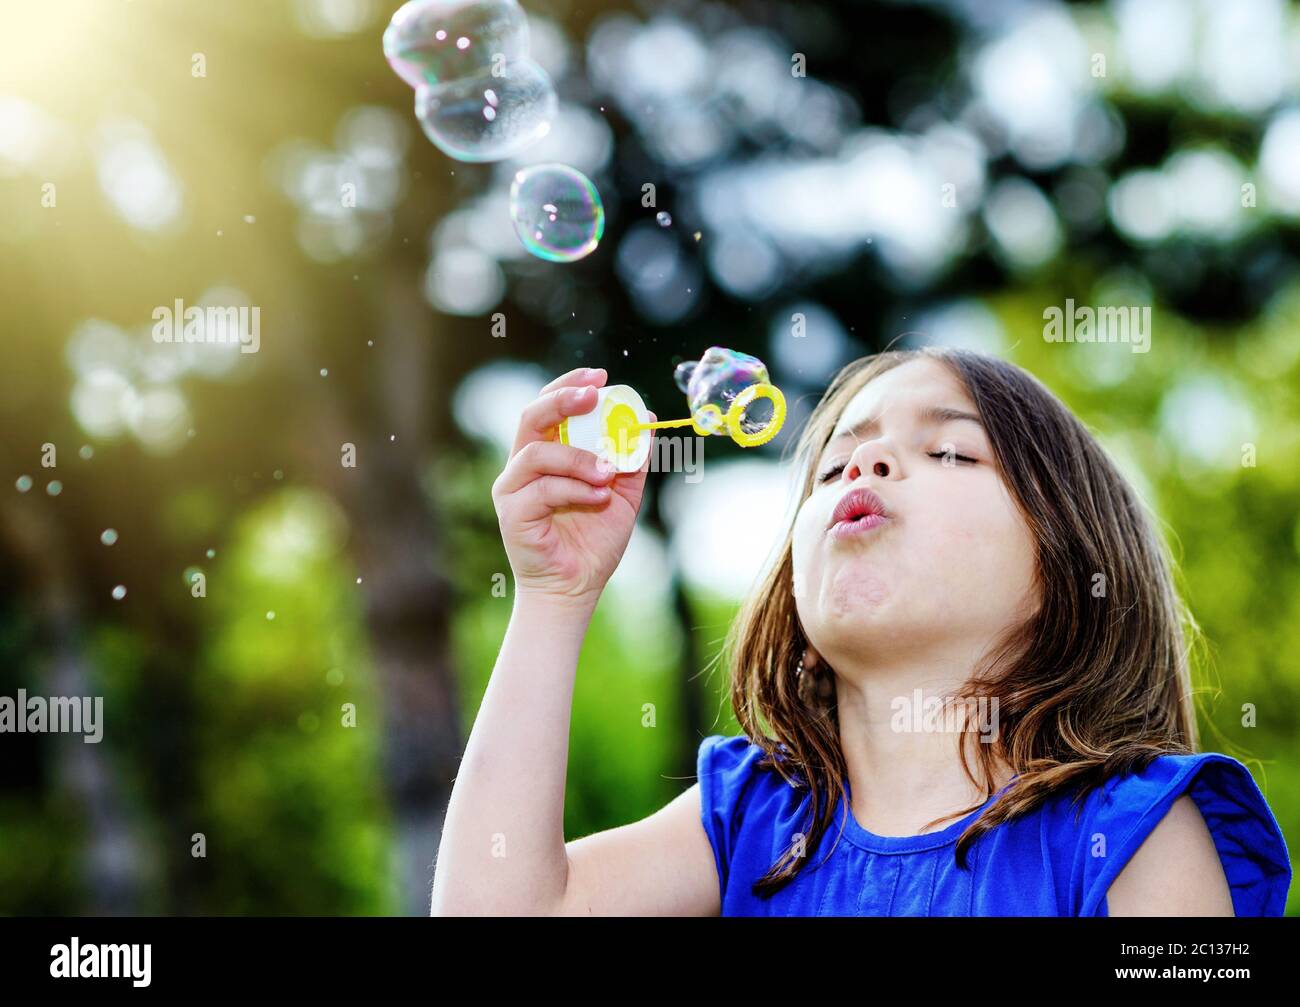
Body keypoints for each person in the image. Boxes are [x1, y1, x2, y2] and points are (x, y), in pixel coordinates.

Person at [430, 347, 1292, 916]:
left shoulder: (1134, 829)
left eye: (952, 452)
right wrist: (554, 594)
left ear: (1068, 567)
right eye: (838, 462)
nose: (867, 464)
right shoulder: (754, 819)